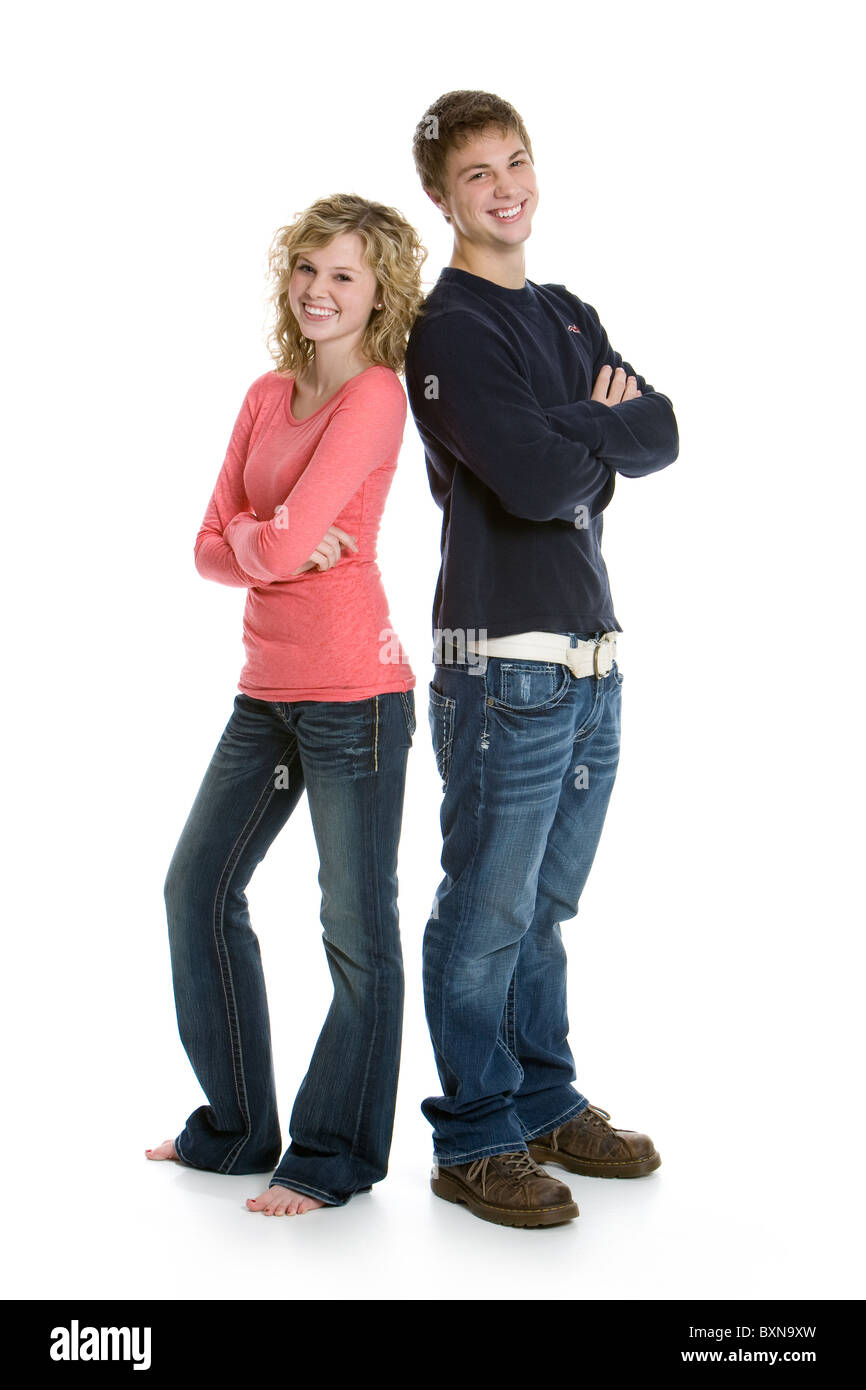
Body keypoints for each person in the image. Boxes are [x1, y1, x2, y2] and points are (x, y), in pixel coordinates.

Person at [404, 91, 679, 1228]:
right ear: (441, 194)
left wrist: (579, 434)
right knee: (486, 908)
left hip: (589, 657)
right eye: (477, 173)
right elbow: (528, 480)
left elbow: (660, 426)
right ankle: (474, 1138)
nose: (505, 186)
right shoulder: (449, 329)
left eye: (515, 161)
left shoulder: (565, 311)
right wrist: (589, 433)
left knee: (545, 906)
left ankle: (539, 1098)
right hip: (501, 663)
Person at [146, 193, 425, 1215]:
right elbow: (208, 545)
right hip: (264, 697)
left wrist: (260, 541)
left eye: (342, 275)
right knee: (196, 890)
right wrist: (274, 546)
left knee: (355, 929)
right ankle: (235, 1131)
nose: (317, 290)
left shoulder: (376, 399)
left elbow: (262, 535)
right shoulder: (268, 395)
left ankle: (333, 1153)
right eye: (307, 268)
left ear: (378, 291)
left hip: (356, 693)